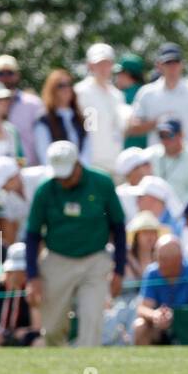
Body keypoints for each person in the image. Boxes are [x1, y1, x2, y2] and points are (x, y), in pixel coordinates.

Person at [24, 141, 127, 347]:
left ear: (78, 165)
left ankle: (86, 372)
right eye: (60, 177)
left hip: (95, 259)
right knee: (52, 329)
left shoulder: (102, 183)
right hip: (57, 260)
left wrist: (119, 269)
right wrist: (32, 276)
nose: (64, 181)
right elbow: (33, 234)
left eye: (68, 175)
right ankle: (58, 370)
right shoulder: (45, 190)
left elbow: (118, 227)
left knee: (92, 321)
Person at [129, 42, 188, 148]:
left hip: (187, 158)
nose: (172, 67)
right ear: (159, 65)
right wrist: (156, 123)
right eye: (168, 62)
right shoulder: (146, 93)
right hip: (156, 159)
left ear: (182, 64)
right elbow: (133, 128)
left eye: (176, 62)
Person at [132, 234, 188, 345]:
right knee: (140, 326)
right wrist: (155, 315)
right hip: (159, 327)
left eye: (165, 259)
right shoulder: (152, 272)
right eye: (158, 258)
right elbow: (142, 307)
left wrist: (176, 315)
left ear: (179, 259)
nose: (160, 263)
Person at [74, 43, 126, 174]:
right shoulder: (80, 91)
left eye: (107, 64)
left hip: (116, 162)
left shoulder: (117, 95)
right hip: (92, 162)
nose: (103, 68)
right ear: (90, 65)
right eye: (99, 64)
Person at [34, 69, 91, 168]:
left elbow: (87, 149)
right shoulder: (43, 120)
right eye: (61, 85)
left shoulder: (80, 117)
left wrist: (80, 172)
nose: (67, 89)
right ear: (52, 90)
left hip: (80, 174)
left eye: (69, 84)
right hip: (57, 173)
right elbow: (44, 154)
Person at [146, 120, 188, 208]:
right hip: (153, 209)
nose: (165, 140)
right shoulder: (151, 155)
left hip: (182, 213)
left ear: (181, 135)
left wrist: (174, 208)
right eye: (162, 136)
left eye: (169, 135)